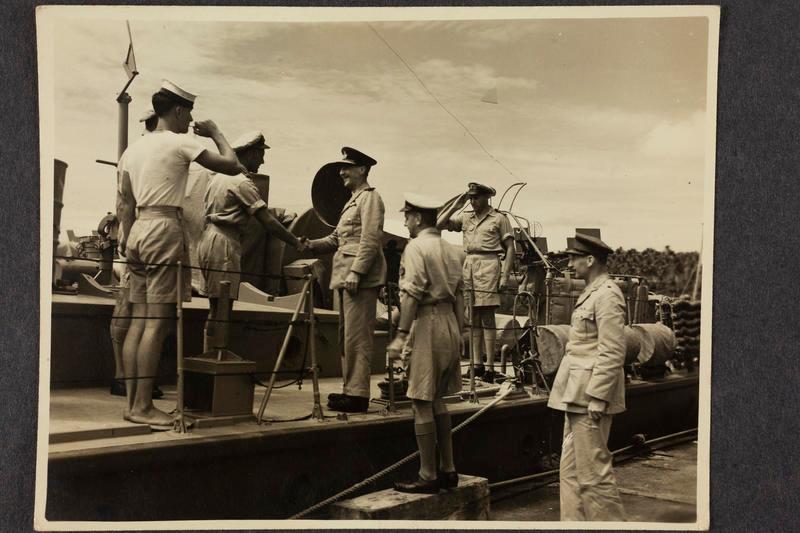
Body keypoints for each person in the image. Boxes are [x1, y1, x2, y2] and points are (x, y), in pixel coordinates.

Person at [116, 80, 240, 426]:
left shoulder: (133, 150)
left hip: (138, 229)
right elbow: (232, 165)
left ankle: (132, 405)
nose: (191, 122)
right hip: (164, 227)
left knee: (138, 323)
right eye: (189, 114)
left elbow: (125, 202)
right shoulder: (181, 141)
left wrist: (128, 240)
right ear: (179, 110)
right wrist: (215, 132)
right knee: (156, 323)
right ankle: (143, 407)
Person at [198, 130, 307, 352]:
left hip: (208, 239)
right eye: (260, 154)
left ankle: (209, 355)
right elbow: (266, 220)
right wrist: (295, 241)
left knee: (214, 306)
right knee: (224, 308)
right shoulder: (241, 182)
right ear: (249, 153)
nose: (262, 160)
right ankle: (218, 359)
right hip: (224, 243)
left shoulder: (216, 178)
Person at [547, 231, 627, 521]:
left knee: (594, 477)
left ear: (590, 260)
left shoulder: (607, 295)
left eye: (574, 258)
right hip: (576, 395)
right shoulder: (592, 291)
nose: (570, 264)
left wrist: (597, 397)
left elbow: (613, 350)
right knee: (569, 474)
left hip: (590, 397)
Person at [388, 193, 464, 493]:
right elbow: (459, 294)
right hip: (450, 325)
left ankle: (428, 474)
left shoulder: (416, 247)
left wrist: (401, 336)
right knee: (439, 399)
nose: (405, 220)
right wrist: (461, 332)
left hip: (428, 324)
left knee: (420, 400)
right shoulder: (453, 250)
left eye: (407, 215)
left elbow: (412, 294)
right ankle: (449, 469)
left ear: (418, 218)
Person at [306, 147, 386, 413]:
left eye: (347, 167)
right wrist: (309, 245)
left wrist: (357, 272)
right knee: (345, 337)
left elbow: (371, 239)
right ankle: (349, 390)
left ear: (362, 169)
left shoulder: (370, 199)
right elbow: (336, 240)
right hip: (343, 277)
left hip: (357, 279)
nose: (341, 172)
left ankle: (358, 395)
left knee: (358, 337)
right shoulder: (351, 201)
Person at [437, 182, 515, 383]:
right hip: (469, 264)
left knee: (487, 317)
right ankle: (476, 365)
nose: (472, 202)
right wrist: (456, 204)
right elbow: (439, 224)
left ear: (487, 197)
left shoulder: (499, 219)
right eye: (470, 198)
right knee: (473, 318)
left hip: (489, 264)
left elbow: (510, 248)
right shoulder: (466, 217)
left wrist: (505, 276)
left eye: (476, 198)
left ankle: (489, 367)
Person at [109, 106, 161, 397]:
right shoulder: (149, 151)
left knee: (133, 309)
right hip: (141, 234)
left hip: (135, 234)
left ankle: (128, 377)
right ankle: (124, 377)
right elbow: (125, 202)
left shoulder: (133, 152)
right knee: (130, 308)